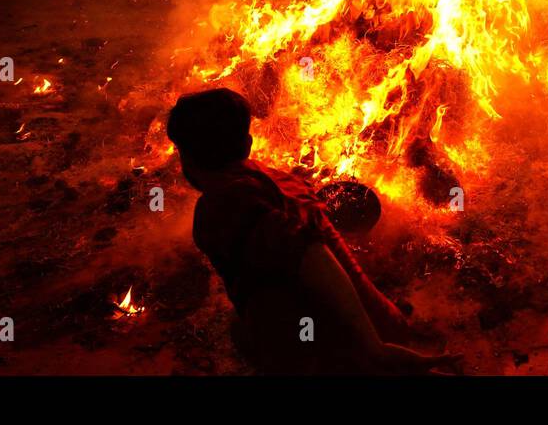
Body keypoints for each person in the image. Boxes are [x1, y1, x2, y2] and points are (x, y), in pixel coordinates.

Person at [167, 87, 452, 374]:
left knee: (247, 330)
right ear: (247, 144)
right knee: (243, 325)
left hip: (352, 353)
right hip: (385, 324)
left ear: (187, 158)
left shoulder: (222, 207)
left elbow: (311, 255)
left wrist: (373, 348)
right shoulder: (270, 177)